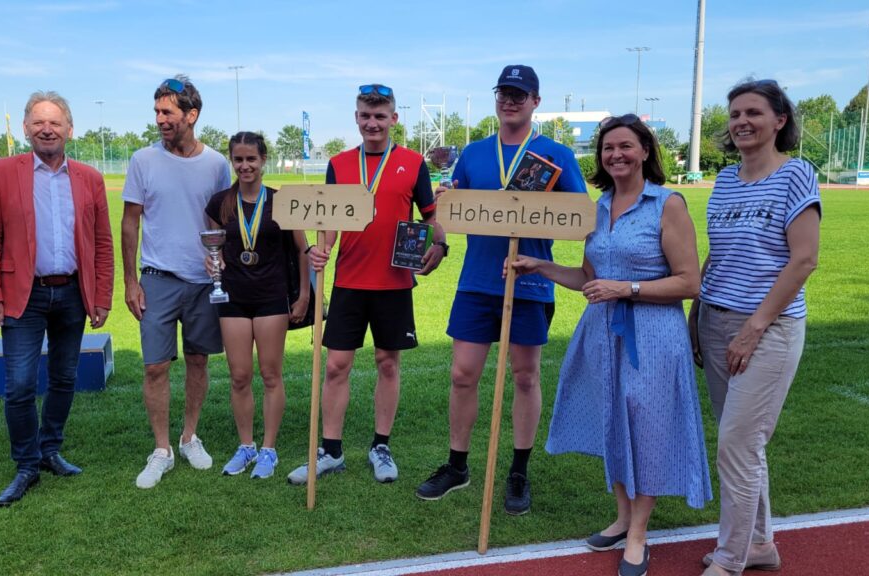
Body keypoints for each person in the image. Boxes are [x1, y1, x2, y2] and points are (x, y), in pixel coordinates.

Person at [510, 115, 712, 576]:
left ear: (645, 151)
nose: (616, 155)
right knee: (613, 423)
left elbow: (689, 282)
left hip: (655, 337)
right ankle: (623, 517)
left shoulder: (667, 204)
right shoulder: (596, 209)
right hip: (602, 332)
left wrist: (627, 289)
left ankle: (639, 532)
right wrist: (538, 267)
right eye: (608, 149)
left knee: (649, 429)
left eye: (625, 146)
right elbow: (588, 278)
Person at [415, 65, 586, 516]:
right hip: (478, 281)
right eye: (504, 93)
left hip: (528, 281)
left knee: (525, 376)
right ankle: (457, 465)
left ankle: (518, 470)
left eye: (520, 94)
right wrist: (449, 207)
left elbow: (579, 214)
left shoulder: (556, 154)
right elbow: (454, 214)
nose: (510, 101)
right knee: (462, 374)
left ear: (535, 101)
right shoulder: (473, 154)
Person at [287, 83, 447, 485]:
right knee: (337, 365)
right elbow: (329, 221)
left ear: (393, 119)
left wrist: (440, 245)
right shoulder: (339, 164)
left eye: (380, 116)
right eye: (365, 115)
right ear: (356, 118)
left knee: (387, 363)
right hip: (349, 282)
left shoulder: (412, 163)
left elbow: (429, 218)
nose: (372, 123)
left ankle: (380, 445)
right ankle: (331, 451)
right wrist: (320, 252)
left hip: (393, 283)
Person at [692, 79, 820, 576]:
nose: (741, 121)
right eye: (735, 114)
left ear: (779, 120)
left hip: (767, 329)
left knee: (738, 444)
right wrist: (695, 311)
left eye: (754, 112)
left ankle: (730, 558)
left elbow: (804, 259)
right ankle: (761, 545)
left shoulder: (796, 176)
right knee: (740, 441)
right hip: (715, 319)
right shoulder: (724, 180)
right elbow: (718, 255)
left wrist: (754, 327)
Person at [0, 91, 114, 507]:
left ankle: (50, 448)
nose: (47, 129)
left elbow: (102, 243)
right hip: (23, 295)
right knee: (19, 386)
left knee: (64, 378)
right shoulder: (3, 172)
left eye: (55, 122)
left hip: (73, 292)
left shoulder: (90, 178)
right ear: (25, 129)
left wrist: (102, 295)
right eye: (38, 123)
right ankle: (26, 464)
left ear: (70, 129)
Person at [122, 75, 232, 489]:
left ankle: (190, 437)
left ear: (192, 115)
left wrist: (221, 264)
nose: (160, 119)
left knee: (198, 361)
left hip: (205, 282)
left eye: (167, 112)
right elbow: (130, 222)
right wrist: (131, 282)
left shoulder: (217, 164)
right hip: (158, 279)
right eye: (157, 112)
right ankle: (162, 449)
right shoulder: (142, 160)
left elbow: (222, 221)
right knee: (155, 367)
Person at [204, 131, 311, 480]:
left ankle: (268, 449)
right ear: (231, 161)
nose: (245, 165)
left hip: (271, 298)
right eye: (238, 159)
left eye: (251, 159)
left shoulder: (282, 202)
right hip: (232, 297)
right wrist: (211, 263)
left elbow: (301, 249)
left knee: (270, 374)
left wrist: (304, 295)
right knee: (239, 376)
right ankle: (246, 445)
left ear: (264, 160)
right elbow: (212, 249)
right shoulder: (219, 202)